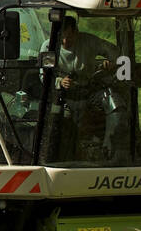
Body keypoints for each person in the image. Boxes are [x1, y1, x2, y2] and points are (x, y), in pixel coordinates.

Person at [52, 17, 130, 161]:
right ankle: (60, 157)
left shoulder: (89, 41)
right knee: (61, 120)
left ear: (77, 32)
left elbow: (116, 52)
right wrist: (59, 82)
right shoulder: (48, 46)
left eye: (69, 37)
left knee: (114, 102)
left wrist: (112, 63)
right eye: (62, 37)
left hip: (88, 92)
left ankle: (112, 155)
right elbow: (43, 75)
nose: (65, 41)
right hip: (61, 96)